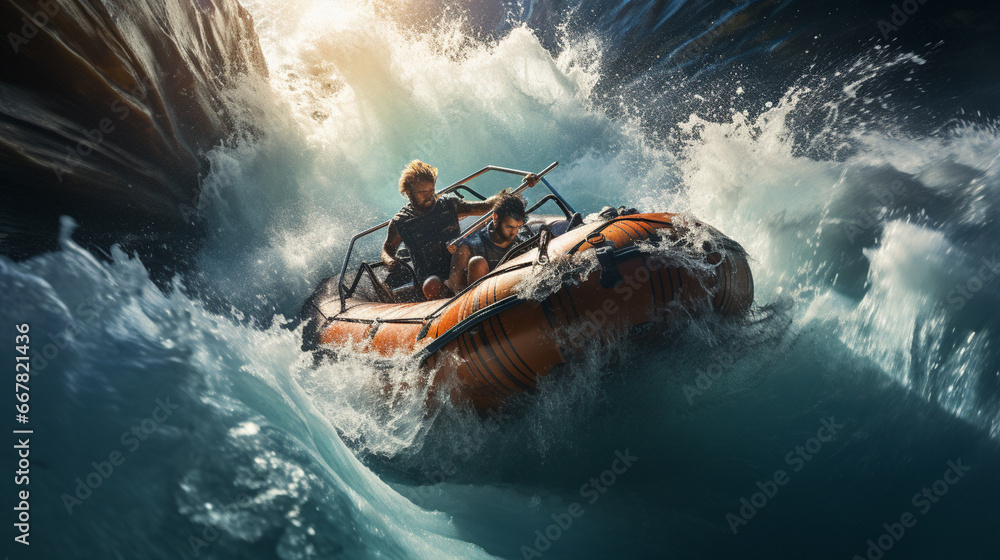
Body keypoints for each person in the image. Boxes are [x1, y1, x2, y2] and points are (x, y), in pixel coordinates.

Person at [381, 160, 537, 300]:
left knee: (477, 263)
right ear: (409, 193)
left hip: (458, 271)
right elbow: (387, 251)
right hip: (430, 279)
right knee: (432, 284)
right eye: (423, 193)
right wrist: (391, 262)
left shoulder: (448, 204)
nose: (430, 196)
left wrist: (512, 193)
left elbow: (484, 207)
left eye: (432, 190)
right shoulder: (401, 222)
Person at [445, 190, 527, 293]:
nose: (514, 233)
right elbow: (455, 288)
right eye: (509, 227)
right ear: (495, 218)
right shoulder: (469, 246)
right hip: (482, 301)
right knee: (477, 263)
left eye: (518, 227)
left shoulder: (523, 238)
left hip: (514, 294)